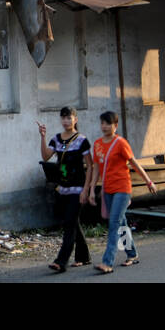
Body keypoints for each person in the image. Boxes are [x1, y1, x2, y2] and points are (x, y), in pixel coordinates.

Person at [82, 110, 155, 273]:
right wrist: (92, 189)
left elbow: (134, 163)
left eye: (108, 123)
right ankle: (132, 254)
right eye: (102, 123)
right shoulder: (98, 144)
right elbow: (96, 169)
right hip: (107, 190)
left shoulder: (121, 143)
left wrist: (148, 181)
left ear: (115, 125)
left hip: (122, 189)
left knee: (114, 224)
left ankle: (107, 262)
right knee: (120, 222)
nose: (104, 126)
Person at [38, 106, 93, 272]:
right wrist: (42, 136)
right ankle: (84, 257)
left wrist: (86, 189)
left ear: (75, 119)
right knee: (72, 222)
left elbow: (90, 166)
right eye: (63, 118)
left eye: (69, 118)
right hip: (62, 188)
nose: (66, 121)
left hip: (78, 188)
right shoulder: (56, 139)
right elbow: (46, 156)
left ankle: (61, 261)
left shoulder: (82, 140)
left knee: (69, 223)